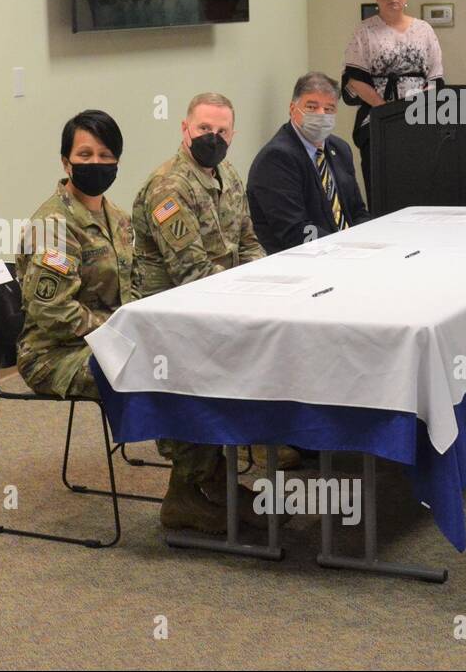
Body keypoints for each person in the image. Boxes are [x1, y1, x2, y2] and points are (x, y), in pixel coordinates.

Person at [131, 93, 275, 534]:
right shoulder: (169, 188)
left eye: (221, 132)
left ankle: (217, 476)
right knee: (218, 367)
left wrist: (264, 286)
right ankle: (186, 492)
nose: (212, 138)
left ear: (233, 134)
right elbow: (191, 272)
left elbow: (249, 241)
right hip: (169, 319)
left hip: (218, 305)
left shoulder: (227, 174)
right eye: (203, 130)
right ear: (184, 130)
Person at [15, 110, 133, 400]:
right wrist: (116, 332)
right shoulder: (52, 226)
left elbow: (133, 287)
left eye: (106, 155)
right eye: (85, 154)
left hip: (109, 339)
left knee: (176, 357)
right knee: (149, 371)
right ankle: (182, 446)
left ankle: (206, 445)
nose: (96, 163)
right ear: (66, 163)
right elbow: (52, 311)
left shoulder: (117, 217)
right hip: (53, 354)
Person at [341, 0, 445, 200]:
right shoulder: (364, 31)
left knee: (422, 189)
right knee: (383, 189)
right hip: (377, 119)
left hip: (420, 119)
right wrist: (387, 111)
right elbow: (355, 80)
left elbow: (435, 76)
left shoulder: (424, 30)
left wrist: (416, 110)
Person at [247, 72, 371, 255]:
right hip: (302, 259)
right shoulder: (276, 158)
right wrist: (342, 250)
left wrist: (373, 238)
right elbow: (295, 231)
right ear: (292, 108)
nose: (321, 115)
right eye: (312, 107)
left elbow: (357, 211)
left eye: (329, 109)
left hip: (346, 252)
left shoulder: (340, 148)